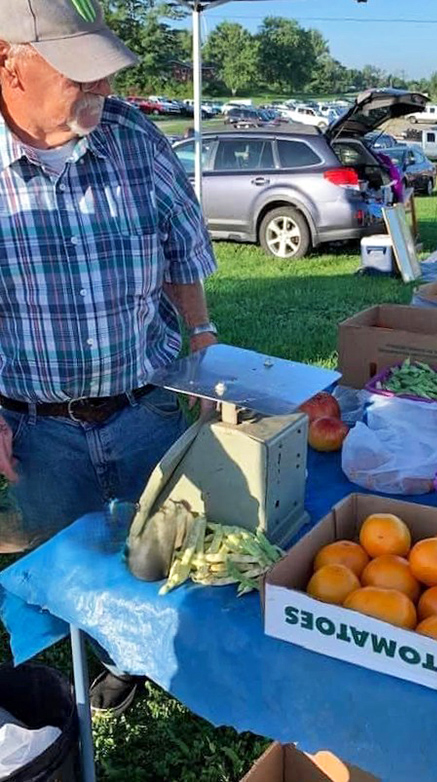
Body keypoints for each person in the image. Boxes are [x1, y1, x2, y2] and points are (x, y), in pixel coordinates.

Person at [0, 0, 217, 713]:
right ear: (10, 67)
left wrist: (202, 336)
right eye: (79, 73)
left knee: (161, 549)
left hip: (145, 405)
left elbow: (183, 244)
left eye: (105, 71)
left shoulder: (132, 135)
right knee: (54, 567)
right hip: (35, 427)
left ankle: (138, 657)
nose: (102, 88)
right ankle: (77, 672)